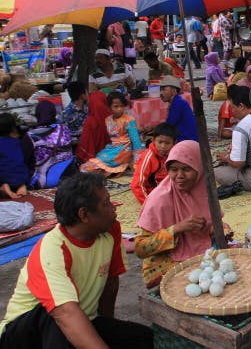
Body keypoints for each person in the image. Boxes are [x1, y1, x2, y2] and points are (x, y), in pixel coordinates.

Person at [0, 173, 154, 348]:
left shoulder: (110, 230)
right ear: (84, 214)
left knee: (147, 338)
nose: (113, 208)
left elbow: (110, 282)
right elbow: (65, 314)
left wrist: (107, 329)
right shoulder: (53, 249)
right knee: (54, 314)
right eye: (106, 203)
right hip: (24, 338)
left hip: (76, 320)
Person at [135, 140, 224, 289]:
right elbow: (140, 248)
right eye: (174, 170)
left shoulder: (204, 191)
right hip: (166, 264)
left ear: (199, 168)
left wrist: (217, 229)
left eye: (186, 169)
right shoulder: (159, 200)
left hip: (200, 251)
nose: (179, 175)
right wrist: (177, 228)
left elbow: (210, 223)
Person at [80, 92, 144, 176]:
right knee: (89, 165)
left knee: (88, 168)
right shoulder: (108, 120)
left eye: (122, 106)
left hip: (124, 150)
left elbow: (136, 141)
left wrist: (137, 163)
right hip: (112, 148)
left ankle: (118, 168)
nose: (119, 109)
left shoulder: (129, 120)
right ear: (109, 107)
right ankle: (114, 171)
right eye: (116, 106)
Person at [131, 122, 177, 205]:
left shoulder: (175, 154)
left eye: (167, 143)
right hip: (153, 193)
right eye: (160, 142)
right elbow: (137, 184)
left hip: (169, 188)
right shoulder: (148, 157)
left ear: (174, 143)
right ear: (153, 140)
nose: (163, 146)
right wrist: (148, 204)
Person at [0, 112, 33, 199]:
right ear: (12, 128)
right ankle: (21, 185)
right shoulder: (19, 142)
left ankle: (3, 186)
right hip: (21, 178)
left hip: (3, 178)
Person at [159, 76, 198, 142]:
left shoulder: (178, 103)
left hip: (187, 139)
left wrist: (154, 129)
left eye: (164, 89)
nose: (161, 93)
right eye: (160, 90)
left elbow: (169, 125)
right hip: (186, 137)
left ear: (174, 91)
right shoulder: (177, 101)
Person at [75, 91, 111, 164]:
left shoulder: (89, 121)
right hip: (112, 156)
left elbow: (85, 143)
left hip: (95, 160)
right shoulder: (112, 117)